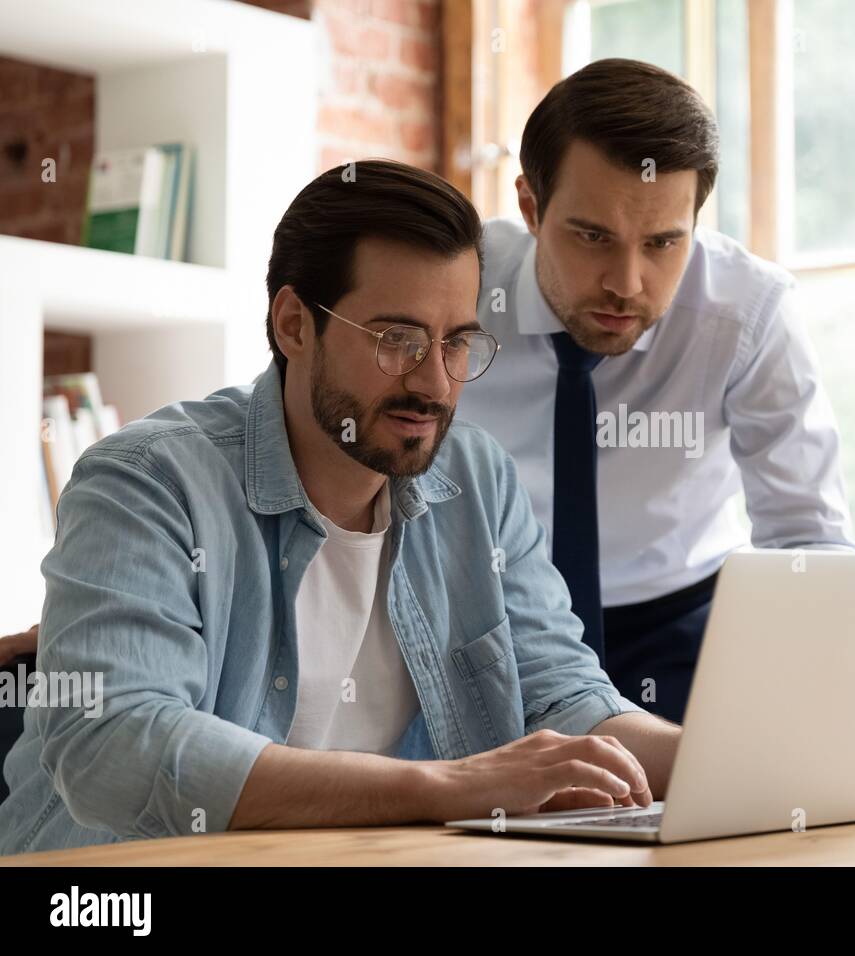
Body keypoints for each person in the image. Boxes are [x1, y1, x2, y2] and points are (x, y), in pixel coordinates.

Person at [0, 161, 679, 856]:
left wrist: (724, 761)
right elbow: (117, 745)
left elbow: (564, 697)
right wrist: (447, 788)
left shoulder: (477, 478)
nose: (435, 383)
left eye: (456, 343)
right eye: (397, 341)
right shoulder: (146, 482)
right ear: (294, 325)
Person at [457, 59, 855, 723]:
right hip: (495, 626)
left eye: (664, 241)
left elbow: (808, 538)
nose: (627, 281)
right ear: (530, 206)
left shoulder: (748, 312)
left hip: (680, 622)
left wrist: (819, 712)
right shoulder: (456, 289)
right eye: (592, 237)